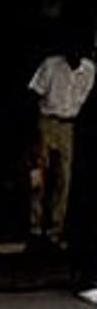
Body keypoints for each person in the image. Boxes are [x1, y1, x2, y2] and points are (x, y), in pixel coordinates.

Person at [28, 36, 95, 247]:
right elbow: (33, 93)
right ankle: (35, 226)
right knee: (39, 176)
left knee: (63, 179)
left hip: (68, 125)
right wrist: (34, 131)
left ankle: (56, 229)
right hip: (47, 121)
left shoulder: (89, 71)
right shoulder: (51, 65)